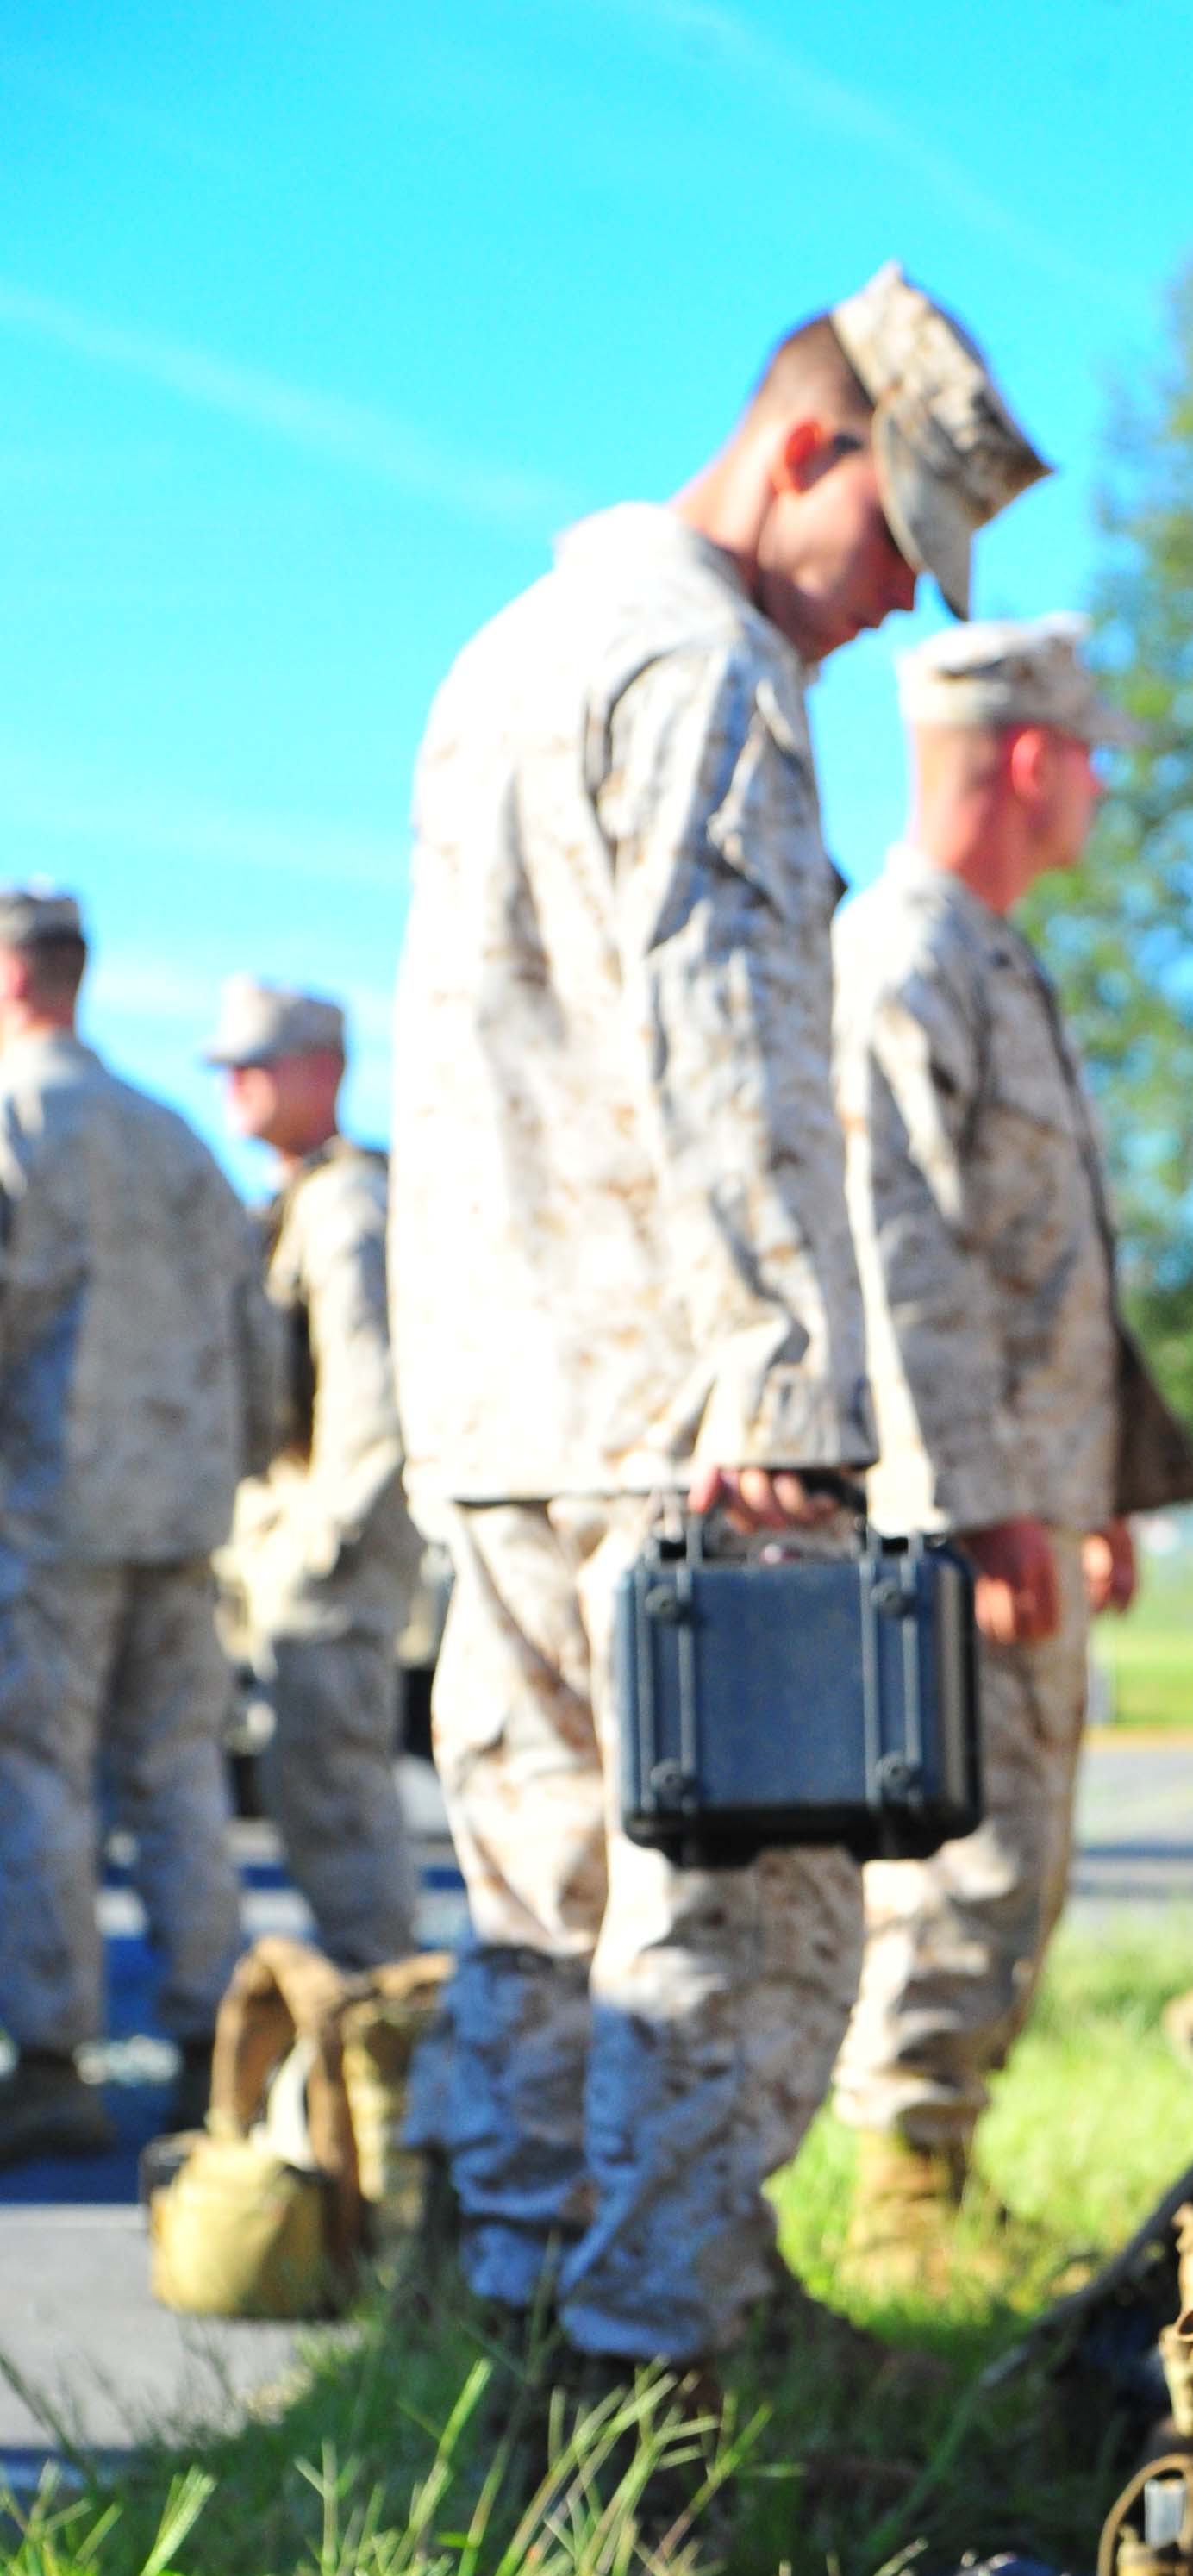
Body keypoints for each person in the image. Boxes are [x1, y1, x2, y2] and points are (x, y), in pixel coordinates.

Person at [387, 266, 1048, 2377]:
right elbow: (722, 1037)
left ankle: (510, 2348)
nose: (891, 614)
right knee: (733, 1930)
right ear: (802, 447)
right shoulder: (706, 669)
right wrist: (780, 1370)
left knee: (537, 1910)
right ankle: (661, 2396)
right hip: (686, 1411)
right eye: (886, 552)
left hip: (506, 1397)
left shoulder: (511, 650)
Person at [828, 615, 1193, 2274]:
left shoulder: (994, 953)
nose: (1103, 788)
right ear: (1031, 758)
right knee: (958, 1863)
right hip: (954, 1518)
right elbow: (902, 1258)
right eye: (1093, 758)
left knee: (1019, 1860)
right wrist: (976, 1511)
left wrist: (1095, 1486)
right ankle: (902, 2194)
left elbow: (1052, 1267)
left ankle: (946, 2166)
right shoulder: (902, 952)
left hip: (1033, 1498)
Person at [0, 888, 277, 2161]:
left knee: (40, 1772)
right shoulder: (174, 1138)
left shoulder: (21, 1120)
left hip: (49, 1512)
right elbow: (259, 1335)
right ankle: (210, 2050)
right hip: (181, 1512)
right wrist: (239, 1464)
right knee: (178, 1776)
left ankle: (51, 2059)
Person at [208, 978, 421, 1974]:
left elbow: (371, 1396)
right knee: (311, 1790)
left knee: (335, 1793)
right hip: (296, 1536)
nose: (236, 1083)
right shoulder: (296, 1198)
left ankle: (385, 2031)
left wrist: (320, 1548)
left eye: (260, 1062)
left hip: (332, 1549)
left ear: (325, 1070)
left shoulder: (346, 1207)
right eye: (231, 1064)